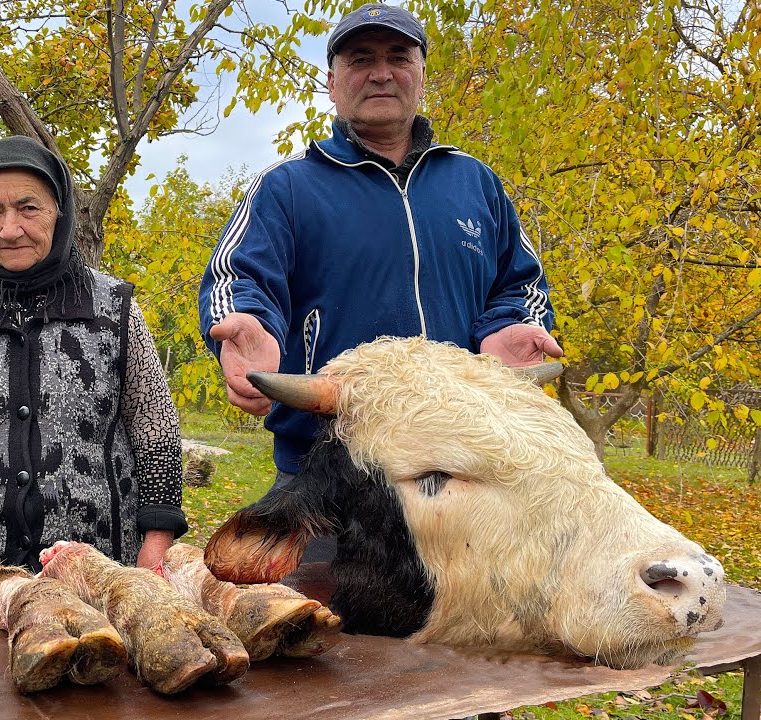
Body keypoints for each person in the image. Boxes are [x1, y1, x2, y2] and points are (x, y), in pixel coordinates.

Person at [197, 4, 563, 556]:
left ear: (421, 73)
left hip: (463, 481)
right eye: (360, 59)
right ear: (332, 82)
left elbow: (521, 284)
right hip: (328, 482)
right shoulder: (287, 188)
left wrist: (511, 327)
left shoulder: (476, 184)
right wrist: (246, 324)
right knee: (311, 637)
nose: (381, 72)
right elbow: (237, 277)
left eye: (398, 57)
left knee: (479, 641)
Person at [0, 135, 189, 601]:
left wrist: (155, 548)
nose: (10, 229)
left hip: (99, 584)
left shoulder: (113, 308)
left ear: (59, 211)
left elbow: (155, 431)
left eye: (29, 208)